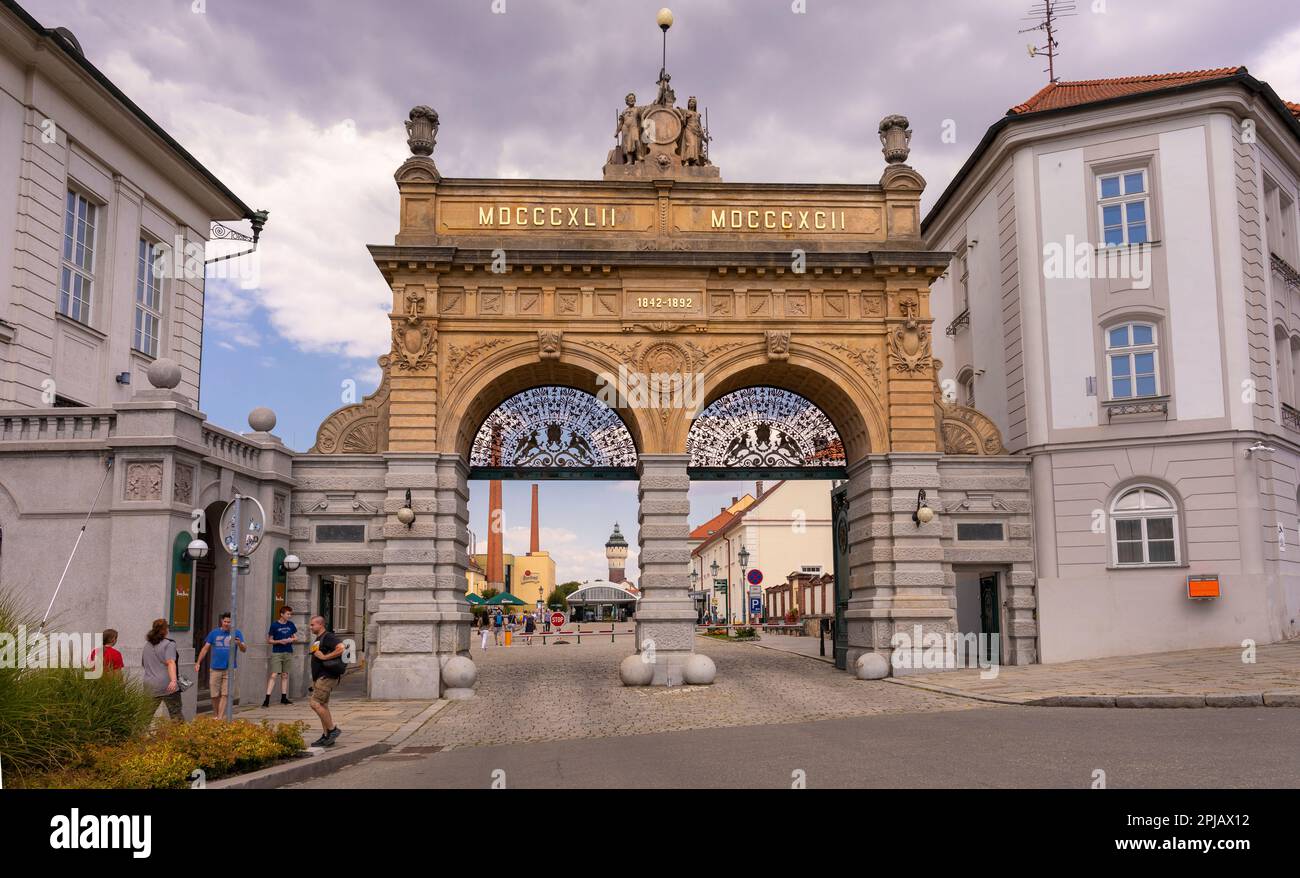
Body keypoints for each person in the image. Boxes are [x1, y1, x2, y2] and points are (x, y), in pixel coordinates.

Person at [195, 612, 245, 719]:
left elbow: (244, 649)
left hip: (230, 669)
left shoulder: (237, 633)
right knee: (214, 694)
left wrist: (239, 644)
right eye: (225, 621)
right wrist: (198, 662)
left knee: (225, 694)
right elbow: (205, 648)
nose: (227, 624)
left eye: (229, 622)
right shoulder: (214, 633)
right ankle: (216, 714)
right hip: (215, 668)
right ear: (222, 621)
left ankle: (220, 717)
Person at [307, 615, 345, 747]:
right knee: (322, 705)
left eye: (312, 625)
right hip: (320, 677)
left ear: (320, 625)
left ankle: (332, 730)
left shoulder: (328, 637)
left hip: (326, 676)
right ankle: (326, 736)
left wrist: (325, 657)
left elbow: (341, 648)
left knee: (315, 703)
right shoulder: (319, 638)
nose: (310, 627)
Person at [142, 619, 183, 722]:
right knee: (176, 715)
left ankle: (138, 736)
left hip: (149, 685)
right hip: (167, 685)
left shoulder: (147, 645)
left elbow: (144, 663)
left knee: (145, 716)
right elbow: (170, 662)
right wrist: (173, 681)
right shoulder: (169, 644)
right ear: (165, 630)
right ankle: (181, 737)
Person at [263, 605, 297, 708]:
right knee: (274, 674)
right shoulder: (274, 625)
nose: (289, 616)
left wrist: (291, 640)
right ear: (282, 614)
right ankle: (267, 699)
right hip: (277, 652)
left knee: (285, 675)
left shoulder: (291, 624)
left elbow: (295, 637)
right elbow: (269, 640)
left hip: (288, 651)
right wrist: (279, 641)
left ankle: (284, 698)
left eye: (290, 614)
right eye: (288, 614)